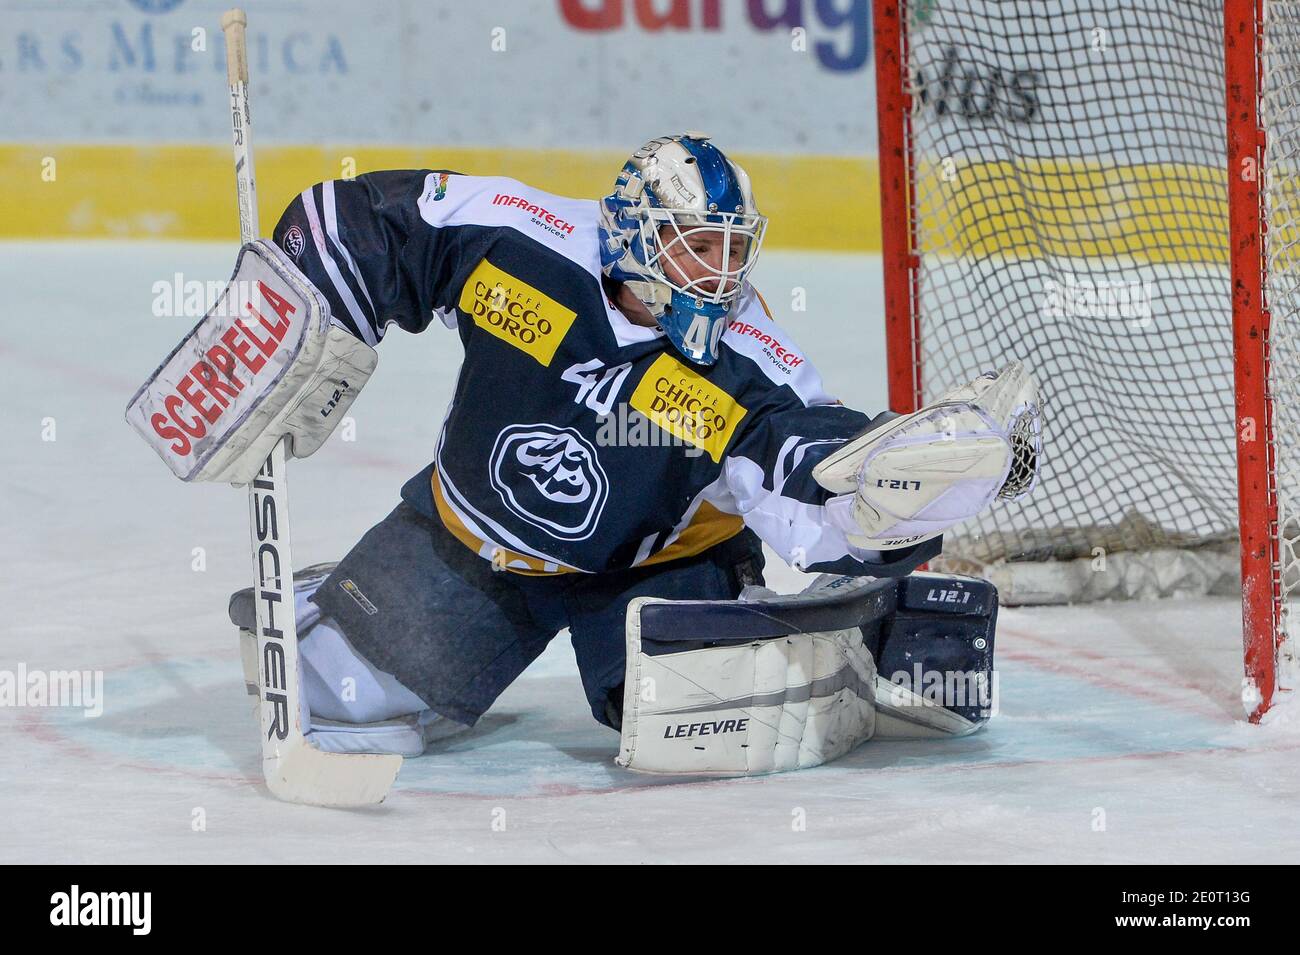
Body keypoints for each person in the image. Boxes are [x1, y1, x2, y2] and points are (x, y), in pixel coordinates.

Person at [232, 133, 1026, 756]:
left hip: (657, 565)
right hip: (476, 542)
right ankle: (337, 596)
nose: (719, 274)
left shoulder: (747, 361)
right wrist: (307, 314)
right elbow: (360, 223)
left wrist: (890, 502)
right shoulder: (520, 239)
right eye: (695, 245)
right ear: (630, 236)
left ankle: (864, 634)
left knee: (709, 725)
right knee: (332, 693)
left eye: (730, 248)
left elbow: (804, 471)